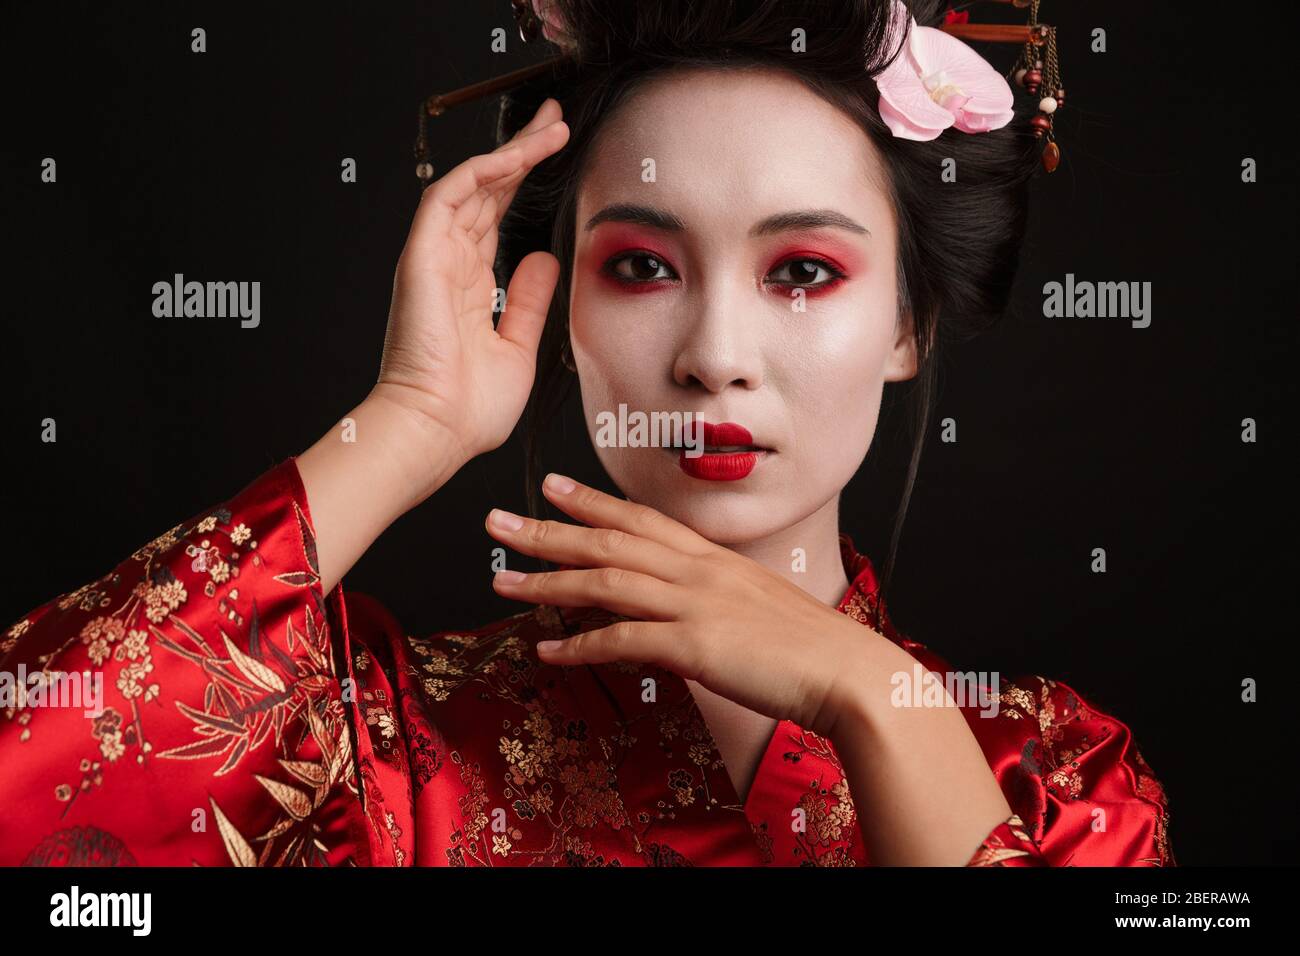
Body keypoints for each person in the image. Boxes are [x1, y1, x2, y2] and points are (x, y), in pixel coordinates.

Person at [0, 0, 1172, 867]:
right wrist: (405, 423)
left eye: (802, 270)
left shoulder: (1058, 773)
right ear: (561, 308)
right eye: (643, 265)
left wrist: (865, 692)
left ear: (907, 323)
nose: (715, 350)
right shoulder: (380, 751)